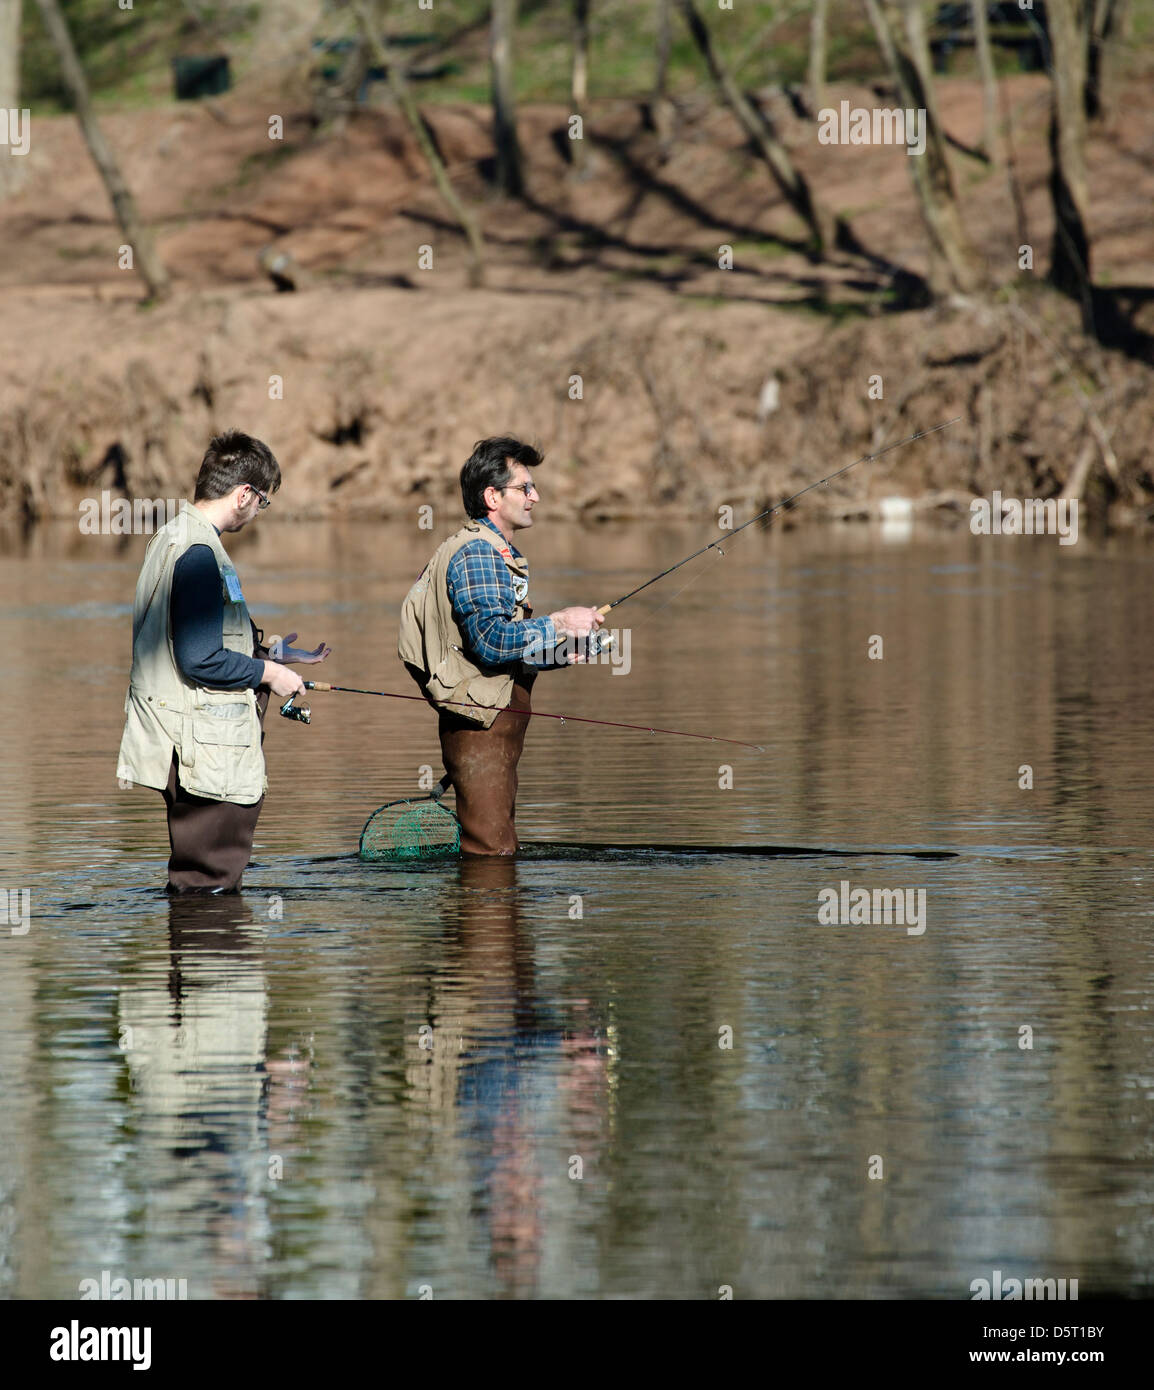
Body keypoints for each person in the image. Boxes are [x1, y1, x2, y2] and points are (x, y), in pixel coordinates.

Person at [116, 431, 330, 892]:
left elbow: (195, 641)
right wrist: (270, 674)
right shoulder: (198, 555)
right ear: (244, 494)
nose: (258, 513)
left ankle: (194, 957)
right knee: (209, 885)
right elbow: (198, 659)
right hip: (201, 751)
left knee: (199, 883)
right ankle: (209, 959)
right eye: (262, 503)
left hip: (186, 742)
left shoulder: (177, 536)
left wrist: (268, 654)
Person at [398, 436, 604, 855]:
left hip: (491, 725)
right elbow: (489, 642)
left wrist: (563, 652)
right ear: (492, 496)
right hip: (480, 729)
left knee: (499, 853)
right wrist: (561, 620)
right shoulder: (477, 554)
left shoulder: (496, 551)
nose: (535, 496)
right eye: (525, 488)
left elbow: (497, 650)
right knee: (491, 858)